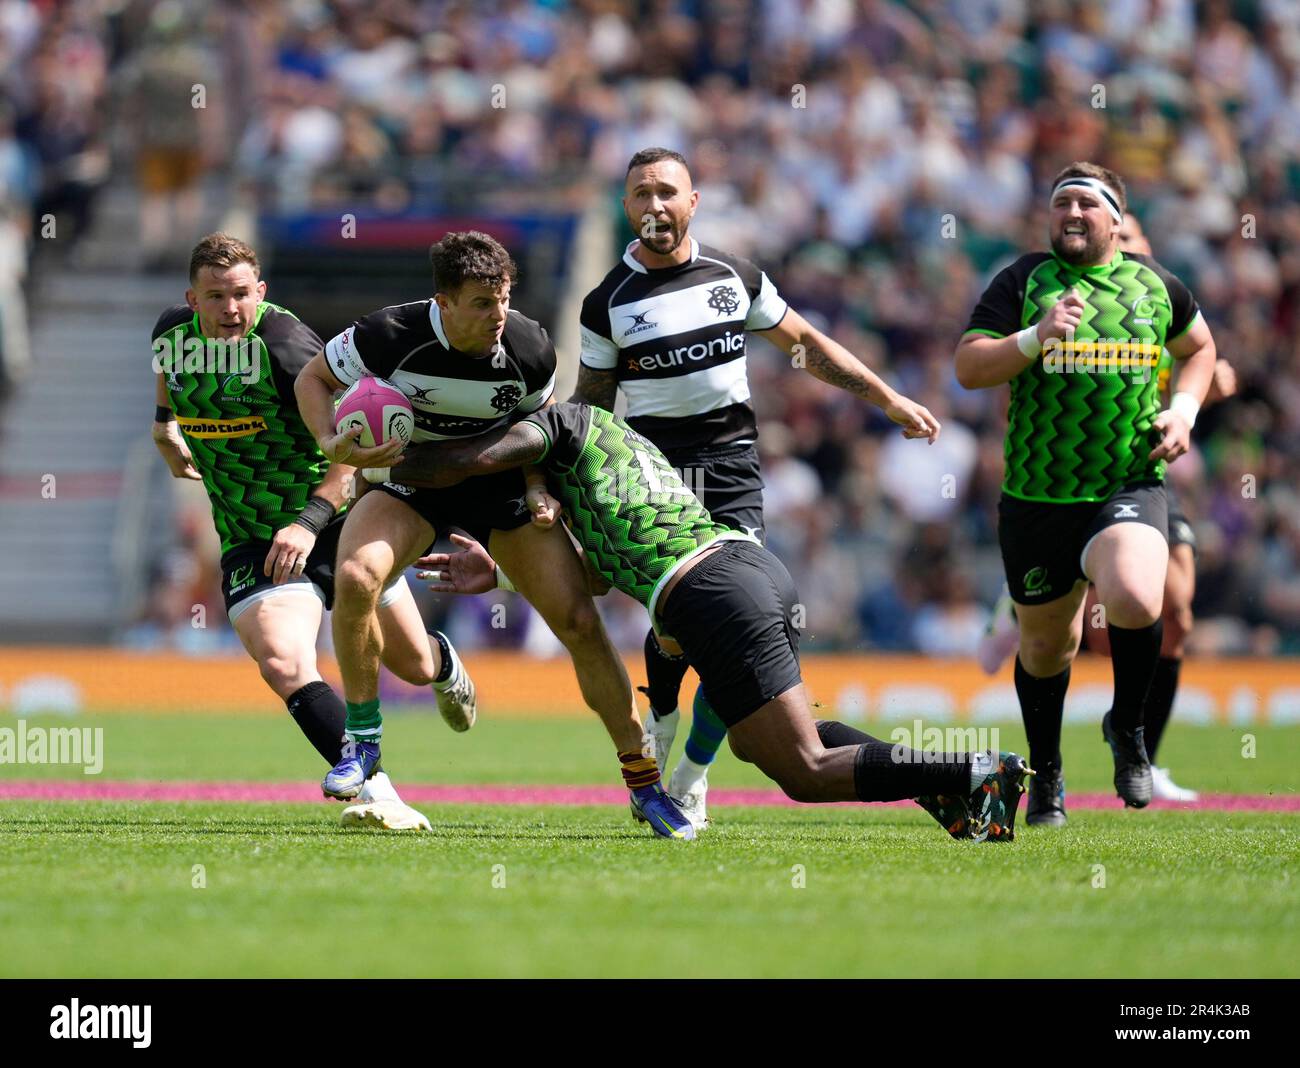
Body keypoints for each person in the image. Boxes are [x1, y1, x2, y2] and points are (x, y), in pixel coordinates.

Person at [375, 402, 1030, 842]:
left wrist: (384, 463)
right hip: (748, 571)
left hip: (714, 596)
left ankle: (971, 770)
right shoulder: (615, 452)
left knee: (803, 771)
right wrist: (504, 574)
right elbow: (603, 571)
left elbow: (477, 457)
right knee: (760, 741)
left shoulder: (563, 424)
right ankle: (954, 794)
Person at [570, 147, 940, 829]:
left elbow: (806, 343)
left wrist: (886, 398)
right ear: (626, 208)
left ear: (693, 201)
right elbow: (588, 411)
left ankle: (689, 776)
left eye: (667, 192)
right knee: (675, 622)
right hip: (655, 476)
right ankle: (659, 713)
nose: (655, 205)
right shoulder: (607, 305)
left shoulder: (733, 276)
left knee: (730, 627)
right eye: (641, 194)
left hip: (733, 474)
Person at [294, 231, 692, 837]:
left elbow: (538, 424)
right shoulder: (387, 335)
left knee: (580, 622)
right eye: (482, 303)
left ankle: (644, 782)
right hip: (412, 483)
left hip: (499, 487)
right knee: (354, 578)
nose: (498, 315)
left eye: (503, 298)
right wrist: (330, 442)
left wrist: (536, 490)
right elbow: (312, 380)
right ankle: (363, 746)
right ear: (444, 303)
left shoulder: (530, 347)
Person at [151, 232, 465, 831]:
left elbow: (354, 443)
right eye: (215, 297)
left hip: (338, 526)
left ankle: (444, 663)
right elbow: (166, 368)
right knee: (283, 661)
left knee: (415, 667)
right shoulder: (171, 334)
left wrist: (308, 521)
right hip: (251, 537)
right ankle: (379, 793)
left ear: (261, 291)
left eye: (241, 294)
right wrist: (164, 427)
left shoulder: (287, 345)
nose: (230, 310)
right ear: (192, 300)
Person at [955, 163, 1217, 823]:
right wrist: (1034, 336)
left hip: (1124, 485)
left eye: (1085, 204)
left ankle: (1127, 728)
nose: (1071, 214)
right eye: (1060, 203)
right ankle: (1047, 775)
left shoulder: (1155, 285)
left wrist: (1183, 412)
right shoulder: (1023, 280)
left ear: (1115, 220)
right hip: (1037, 500)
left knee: (1134, 593)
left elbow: (1202, 349)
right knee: (1049, 648)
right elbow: (968, 367)